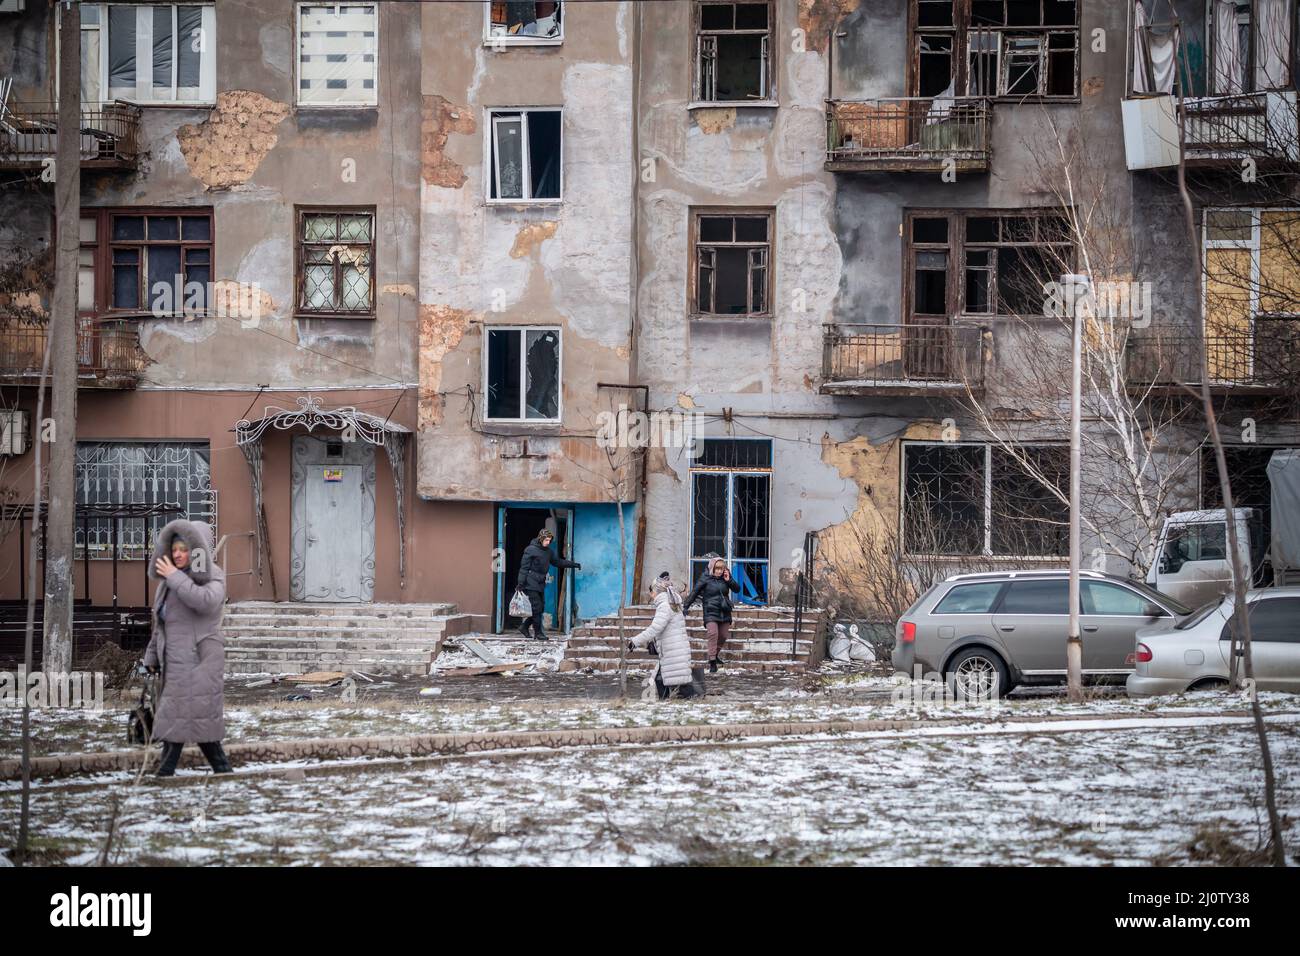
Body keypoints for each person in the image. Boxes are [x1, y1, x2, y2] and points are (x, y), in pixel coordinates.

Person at [142, 518, 230, 777]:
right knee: (186, 716)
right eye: (174, 549)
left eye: (184, 549)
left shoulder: (213, 574)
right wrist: (151, 656)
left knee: (184, 715)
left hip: (201, 659)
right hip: (175, 662)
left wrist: (175, 577)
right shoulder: (168, 582)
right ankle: (221, 768)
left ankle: (166, 772)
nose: (178, 554)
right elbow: (161, 623)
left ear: (198, 549)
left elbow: (206, 602)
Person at [627, 572, 693, 700]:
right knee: (665, 678)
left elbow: (655, 628)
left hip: (673, 650)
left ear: (657, 591)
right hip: (675, 648)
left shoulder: (665, 606)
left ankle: (671, 702)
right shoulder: (672, 603)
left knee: (671, 681)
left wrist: (635, 641)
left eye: (651, 591)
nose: (650, 595)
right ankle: (670, 702)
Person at [515, 528, 580, 641]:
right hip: (530, 582)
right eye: (546, 540)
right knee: (537, 608)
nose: (548, 542)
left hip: (540, 582)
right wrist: (521, 583)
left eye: (550, 540)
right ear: (541, 539)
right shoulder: (530, 550)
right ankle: (538, 633)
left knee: (540, 608)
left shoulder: (548, 551)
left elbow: (557, 562)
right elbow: (524, 568)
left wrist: (573, 564)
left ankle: (524, 627)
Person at [684, 555, 740, 673]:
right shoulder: (705, 578)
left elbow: (737, 589)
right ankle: (712, 661)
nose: (719, 571)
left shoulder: (726, 577)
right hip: (710, 611)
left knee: (723, 636)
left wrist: (729, 579)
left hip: (724, 611)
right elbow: (694, 592)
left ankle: (715, 654)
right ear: (712, 568)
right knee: (713, 633)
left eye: (721, 569)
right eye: (717, 569)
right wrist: (686, 606)